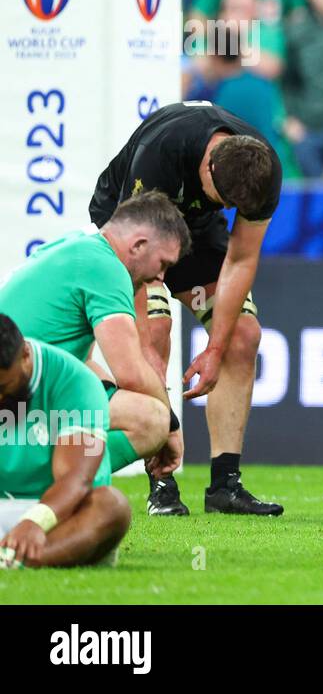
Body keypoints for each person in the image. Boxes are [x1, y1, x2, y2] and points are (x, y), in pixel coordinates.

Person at [89, 102, 283, 517]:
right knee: (154, 331)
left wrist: (215, 350)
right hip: (134, 232)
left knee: (243, 336)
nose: (231, 209)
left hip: (195, 232)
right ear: (207, 167)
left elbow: (241, 259)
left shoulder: (262, 170)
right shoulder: (162, 154)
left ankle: (225, 487)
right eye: (223, 200)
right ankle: (161, 479)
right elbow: (131, 253)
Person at [0, 193, 190, 484]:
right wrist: (172, 427)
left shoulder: (77, 246)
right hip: (14, 397)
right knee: (151, 420)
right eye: (163, 264)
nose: (161, 278)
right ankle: (40, 485)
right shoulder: (107, 268)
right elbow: (131, 373)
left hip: (19, 396)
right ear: (139, 245)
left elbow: (82, 363)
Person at [0, 315, 131, 569]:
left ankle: (17, 558)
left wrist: (36, 521)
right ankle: (20, 558)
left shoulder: (75, 381)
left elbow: (75, 478)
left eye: (4, 386)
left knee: (112, 505)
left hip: (59, 514)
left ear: (25, 354)